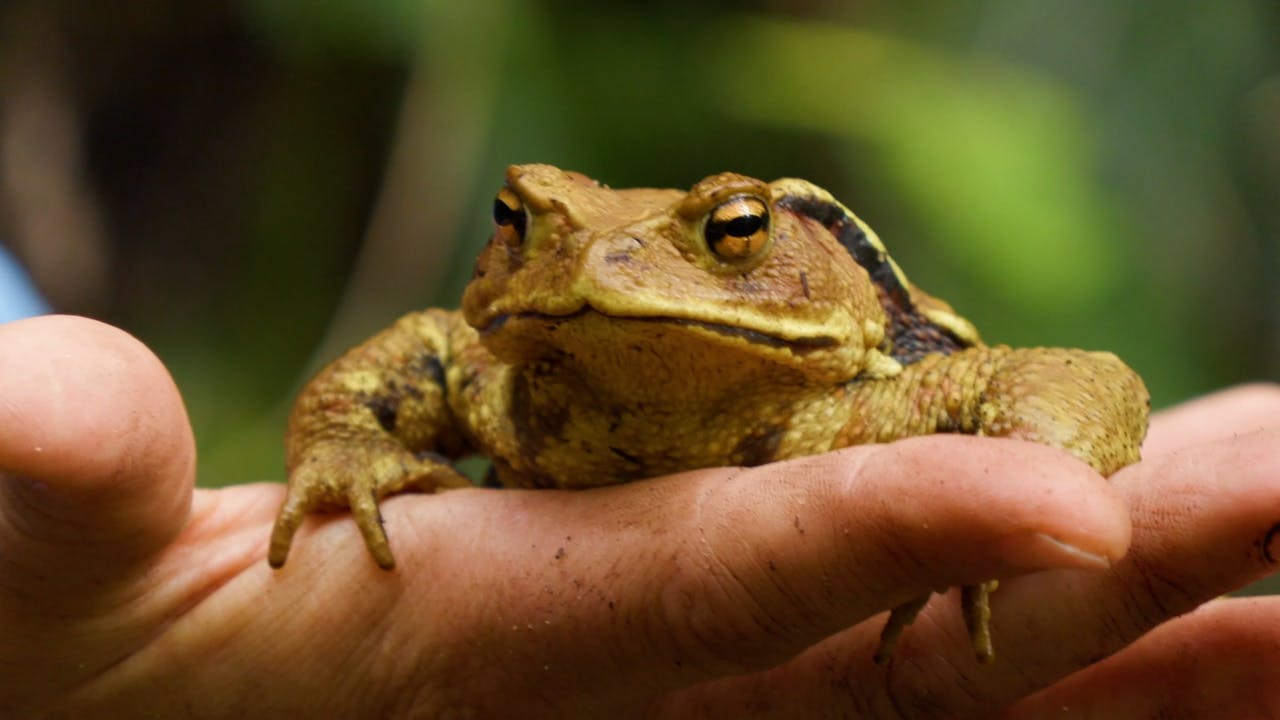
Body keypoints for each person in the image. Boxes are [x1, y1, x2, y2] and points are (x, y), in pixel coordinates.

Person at [0, 313, 1277, 718]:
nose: (602, 266)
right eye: (522, 224)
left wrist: (1012, 509)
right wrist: (341, 448)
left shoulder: (863, 394)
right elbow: (410, 365)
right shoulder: (508, 379)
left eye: (717, 234)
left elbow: (1073, 378)